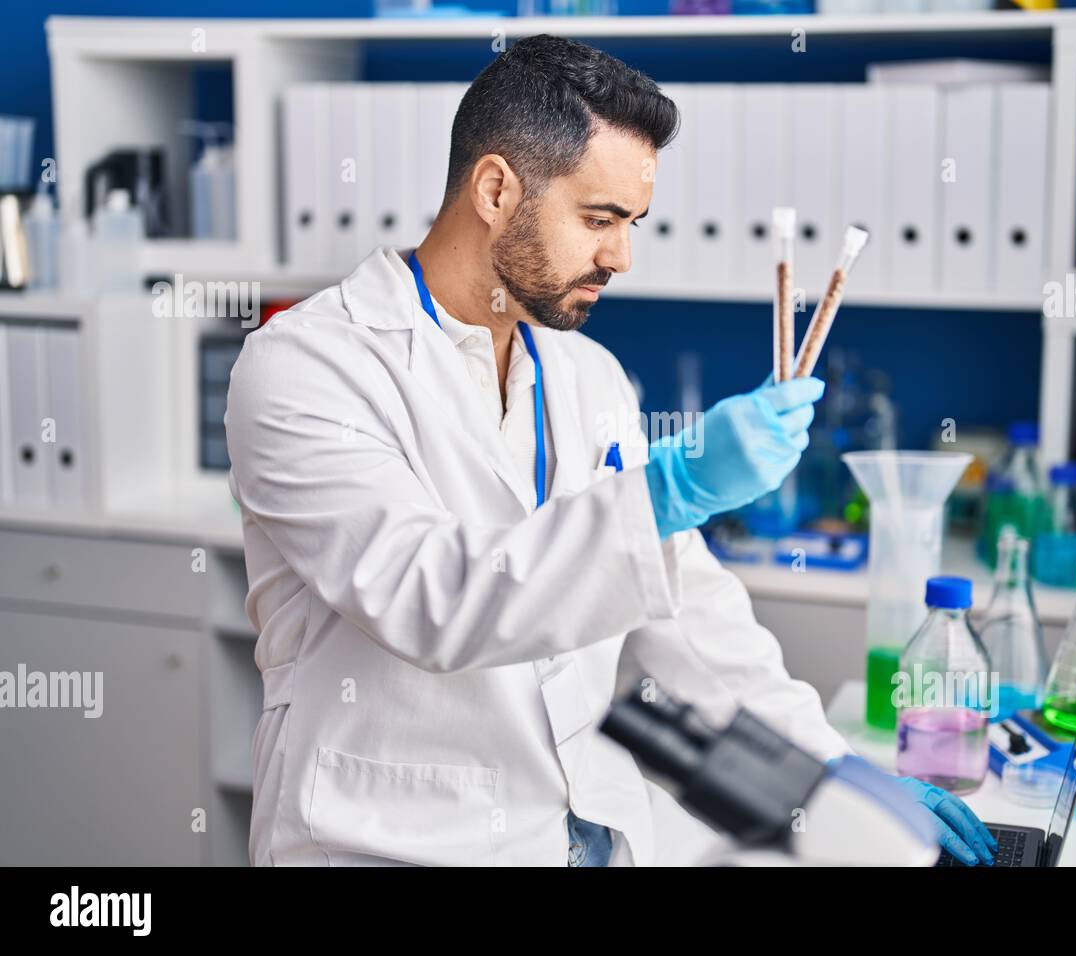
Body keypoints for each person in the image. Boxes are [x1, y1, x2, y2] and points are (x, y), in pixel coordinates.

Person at [225, 34, 995, 867]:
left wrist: (830, 764)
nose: (620, 256)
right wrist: (667, 491)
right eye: (598, 219)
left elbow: (685, 613)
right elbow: (433, 597)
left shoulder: (588, 374)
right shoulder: (305, 366)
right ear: (494, 188)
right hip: (392, 840)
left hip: (582, 833)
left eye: (631, 223)